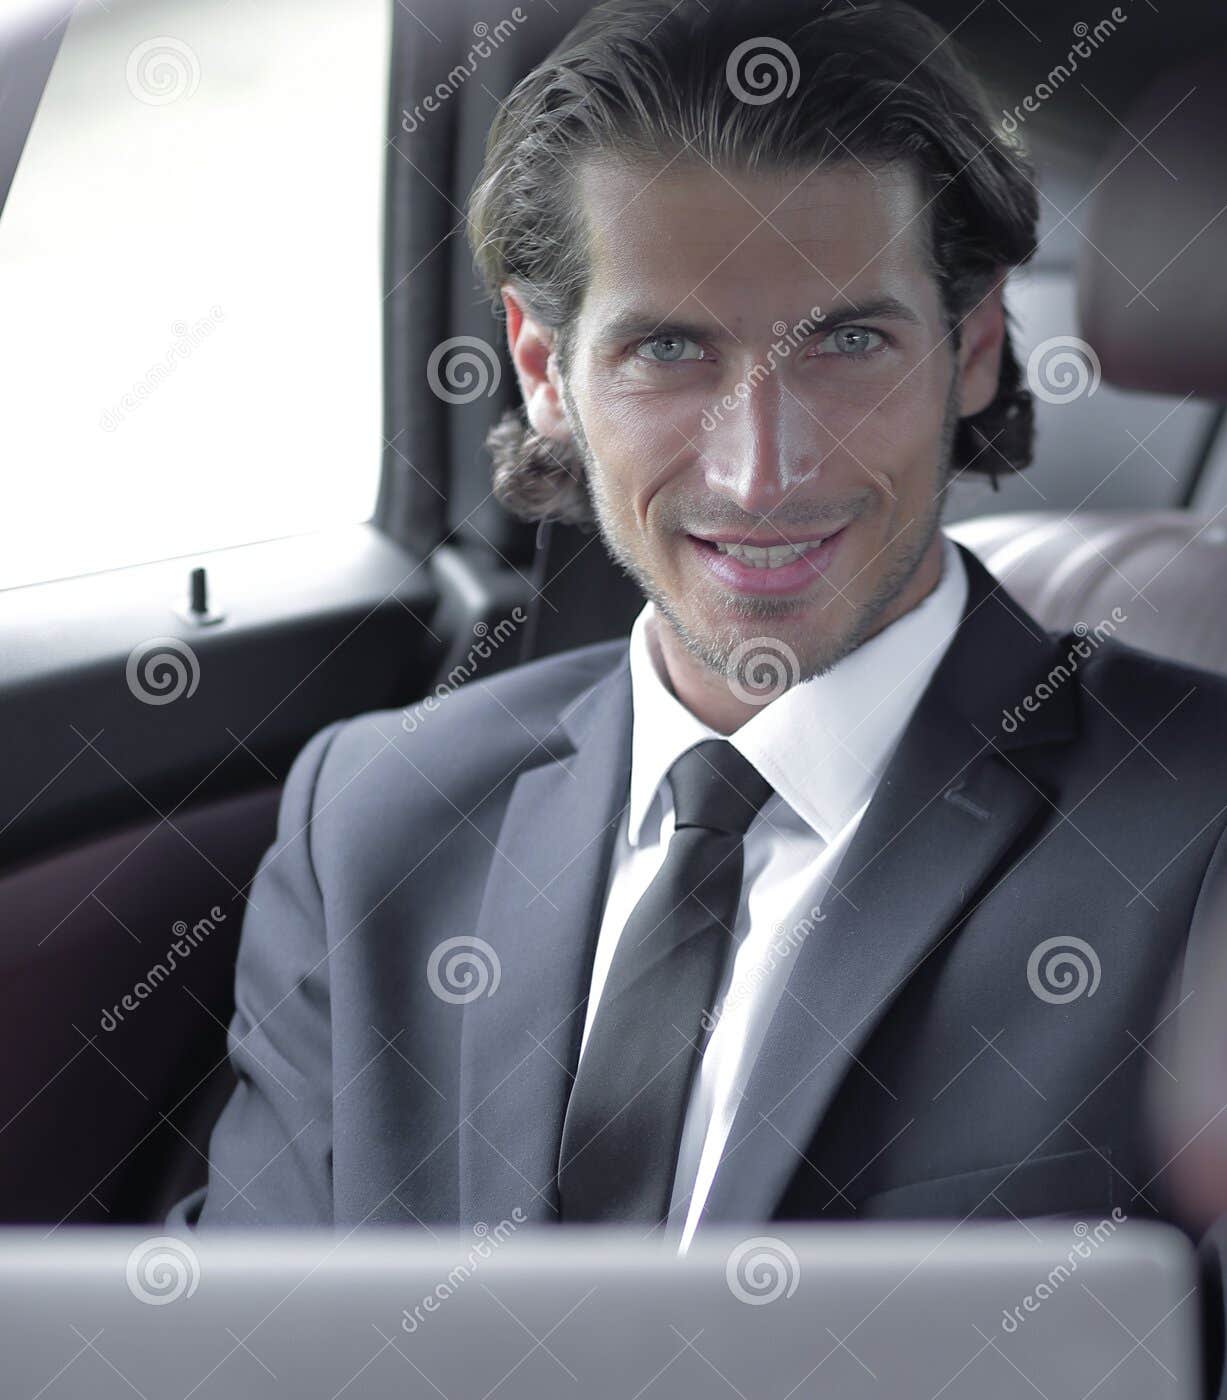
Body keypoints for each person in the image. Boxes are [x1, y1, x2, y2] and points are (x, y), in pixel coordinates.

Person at [166, 0, 1227, 1251]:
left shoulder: (1200, 833)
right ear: (546, 370)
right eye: (669, 349)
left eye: (847, 341)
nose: (759, 472)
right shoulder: (371, 819)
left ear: (977, 346)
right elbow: (244, 1383)